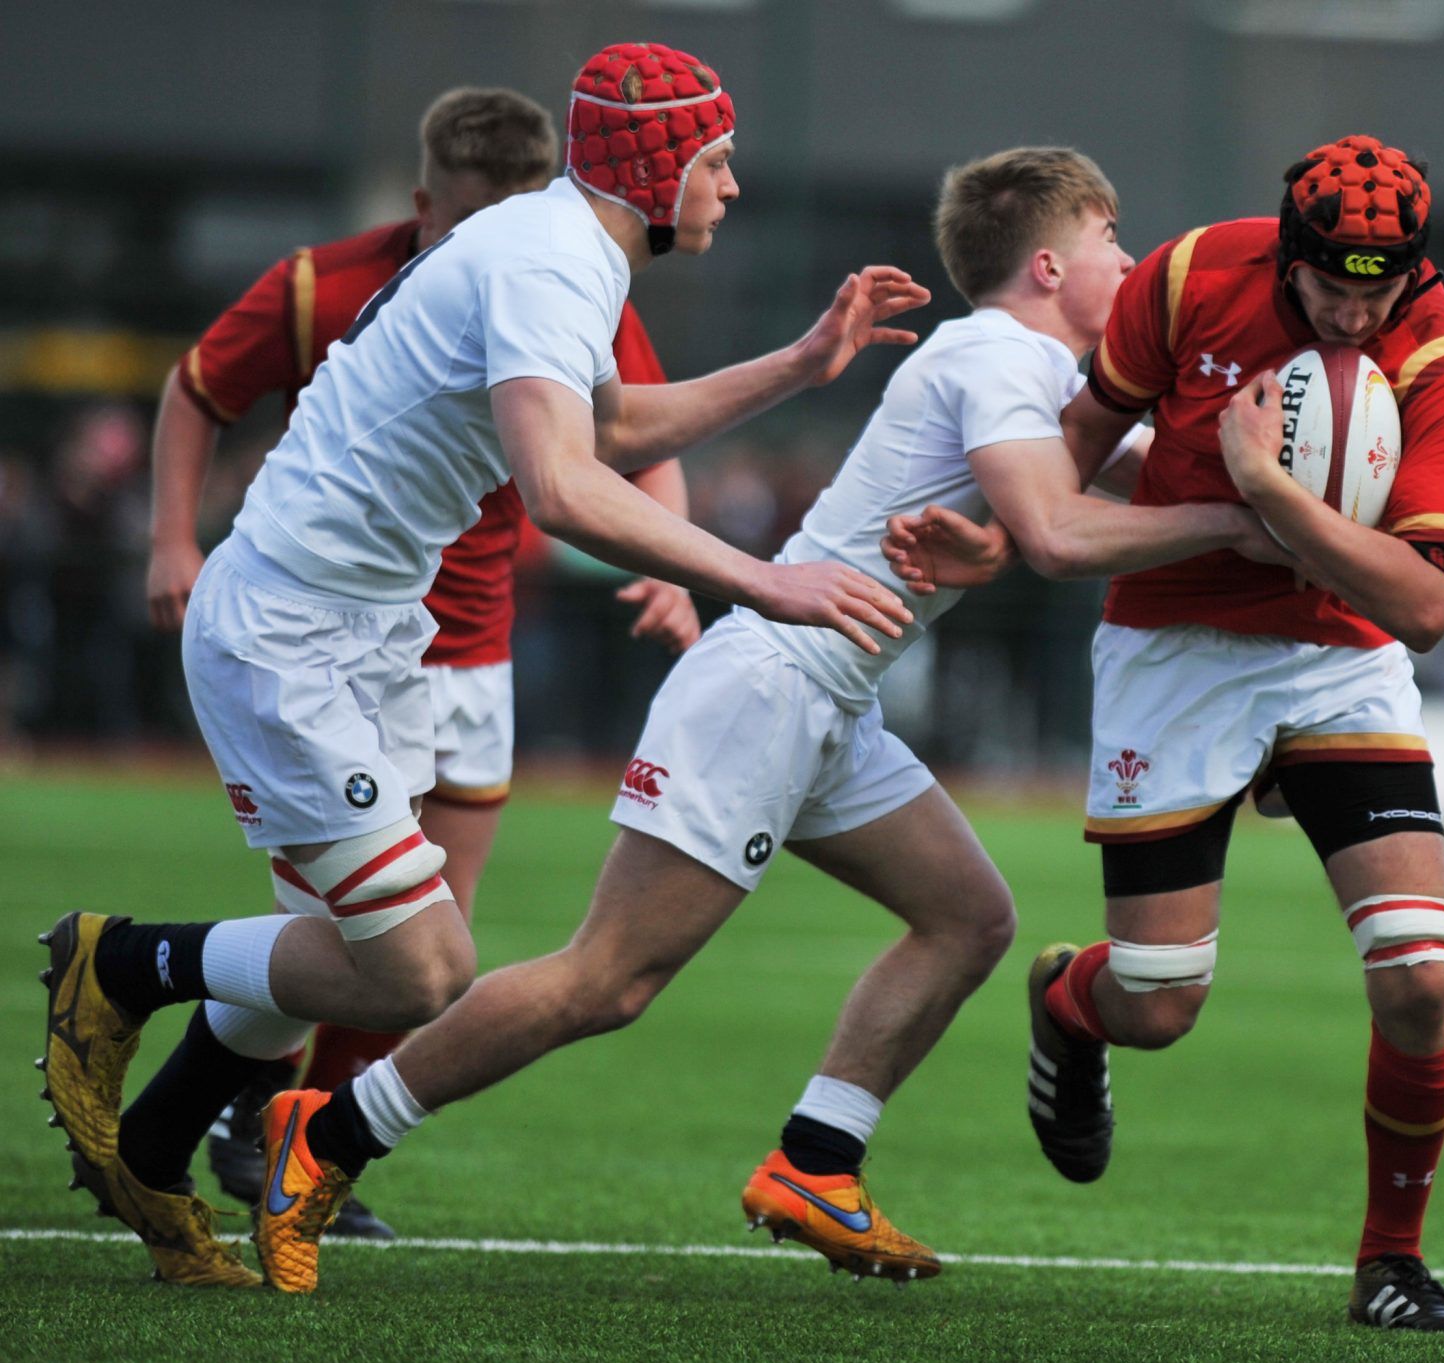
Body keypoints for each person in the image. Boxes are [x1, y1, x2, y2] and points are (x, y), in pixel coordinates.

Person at [251, 144, 1286, 1293]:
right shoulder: (998, 352)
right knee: (608, 981)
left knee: (967, 917)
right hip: (771, 683)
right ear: (1048, 264)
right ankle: (332, 1131)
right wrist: (1237, 523)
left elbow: (1156, 476)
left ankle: (815, 1161)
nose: (1135, 265)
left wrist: (1274, 478)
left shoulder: (1043, 376)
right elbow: (1061, 534)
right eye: (1113, 244)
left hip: (827, 694)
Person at [41, 41, 928, 1292]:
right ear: (663, 160)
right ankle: (124, 962)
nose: (730, 188)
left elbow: (609, 427)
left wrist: (797, 363)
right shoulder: (549, 260)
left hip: (364, 630)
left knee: (329, 949)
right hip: (288, 633)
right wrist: (764, 576)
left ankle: (149, 1146)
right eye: (717, 162)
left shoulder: (554, 247)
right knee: (421, 970)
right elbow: (564, 490)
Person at [897, 134, 1444, 1334]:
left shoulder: (1437, 351)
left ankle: (1391, 1263)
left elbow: (1425, 607)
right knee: (1159, 1000)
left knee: (1422, 975)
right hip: (1175, 648)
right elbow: (1074, 442)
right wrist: (1006, 537)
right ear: (1288, 250)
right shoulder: (1185, 279)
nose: (1353, 307)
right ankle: (1069, 1002)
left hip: (1341, 662)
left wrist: (1266, 497)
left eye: (1380, 286)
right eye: (1332, 283)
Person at [133, 84, 700, 1247]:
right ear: (422, 205)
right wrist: (169, 537)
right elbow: (199, 387)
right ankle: (172, 1018)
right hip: (307, 619)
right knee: (409, 953)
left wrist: (692, 543)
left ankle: (230, 1135)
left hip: (450, 638)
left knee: (400, 924)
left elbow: (626, 427)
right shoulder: (351, 278)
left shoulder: (571, 269)